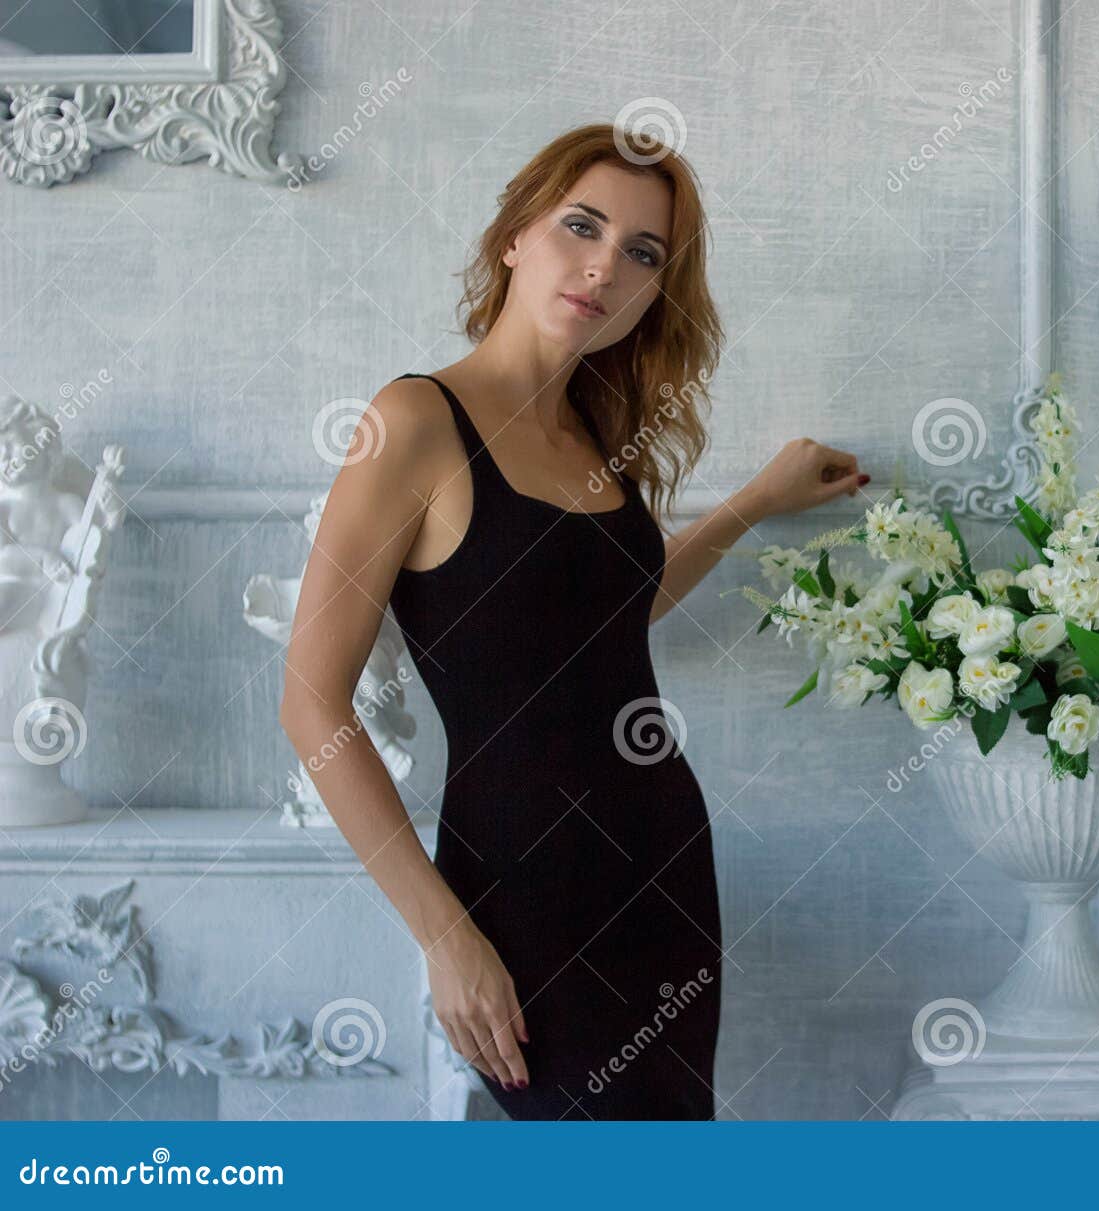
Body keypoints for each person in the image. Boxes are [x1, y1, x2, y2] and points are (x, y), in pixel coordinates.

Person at [278, 123, 868, 1120]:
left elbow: (609, 619)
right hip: (521, 884)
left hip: (664, 859)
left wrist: (750, 504)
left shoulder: (596, 435)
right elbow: (309, 700)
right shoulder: (414, 420)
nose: (605, 266)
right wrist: (445, 933)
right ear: (515, 235)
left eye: (643, 253)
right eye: (581, 227)